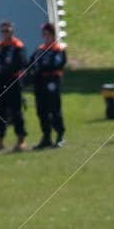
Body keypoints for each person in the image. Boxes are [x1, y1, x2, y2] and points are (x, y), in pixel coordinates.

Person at [0, 20, 28, 152]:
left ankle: (21, 139)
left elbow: (21, 62)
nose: (5, 34)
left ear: (12, 31)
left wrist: (6, 70)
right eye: (3, 31)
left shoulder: (17, 46)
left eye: (7, 31)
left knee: (16, 111)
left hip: (13, 82)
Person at [27, 21, 66, 149]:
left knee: (54, 110)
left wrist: (41, 68)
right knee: (41, 111)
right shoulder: (39, 50)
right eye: (43, 34)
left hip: (52, 82)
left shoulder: (58, 50)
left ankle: (60, 135)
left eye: (47, 34)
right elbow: (30, 63)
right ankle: (46, 137)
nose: (45, 37)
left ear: (53, 35)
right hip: (40, 83)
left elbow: (56, 64)